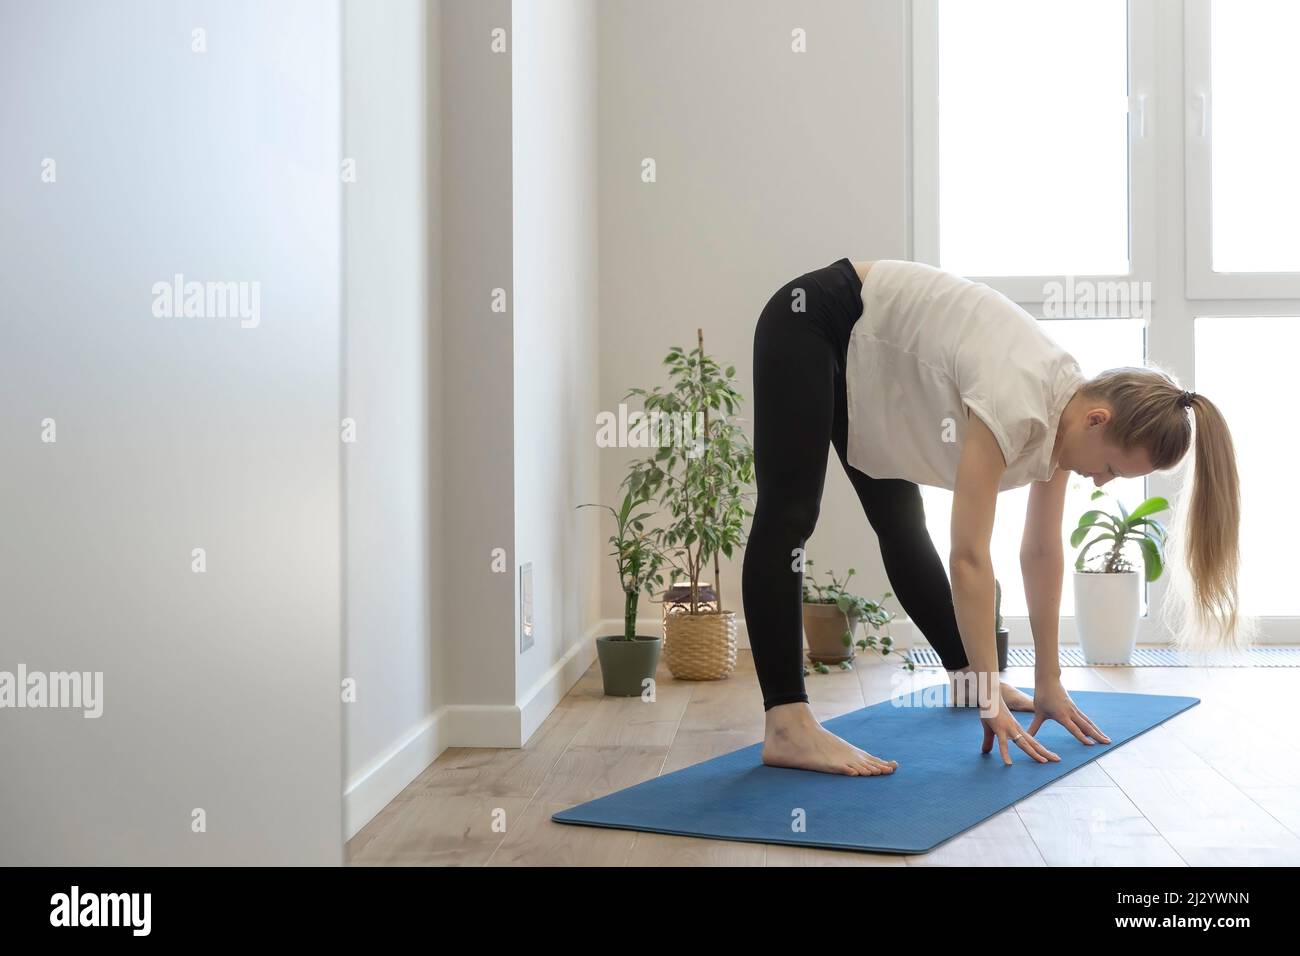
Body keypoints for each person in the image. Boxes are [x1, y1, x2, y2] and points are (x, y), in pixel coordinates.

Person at [741, 257, 1245, 775]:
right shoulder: (1019, 398)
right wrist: (991, 697)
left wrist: (1049, 680)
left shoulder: (1066, 410)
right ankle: (786, 723)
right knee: (791, 513)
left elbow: (1042, 552)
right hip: (812, 320)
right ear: (1098, 421)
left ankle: (964, 676)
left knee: (900, 523)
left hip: (868, 361)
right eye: (1112, 468)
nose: (1100, 481)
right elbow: (969, 557)